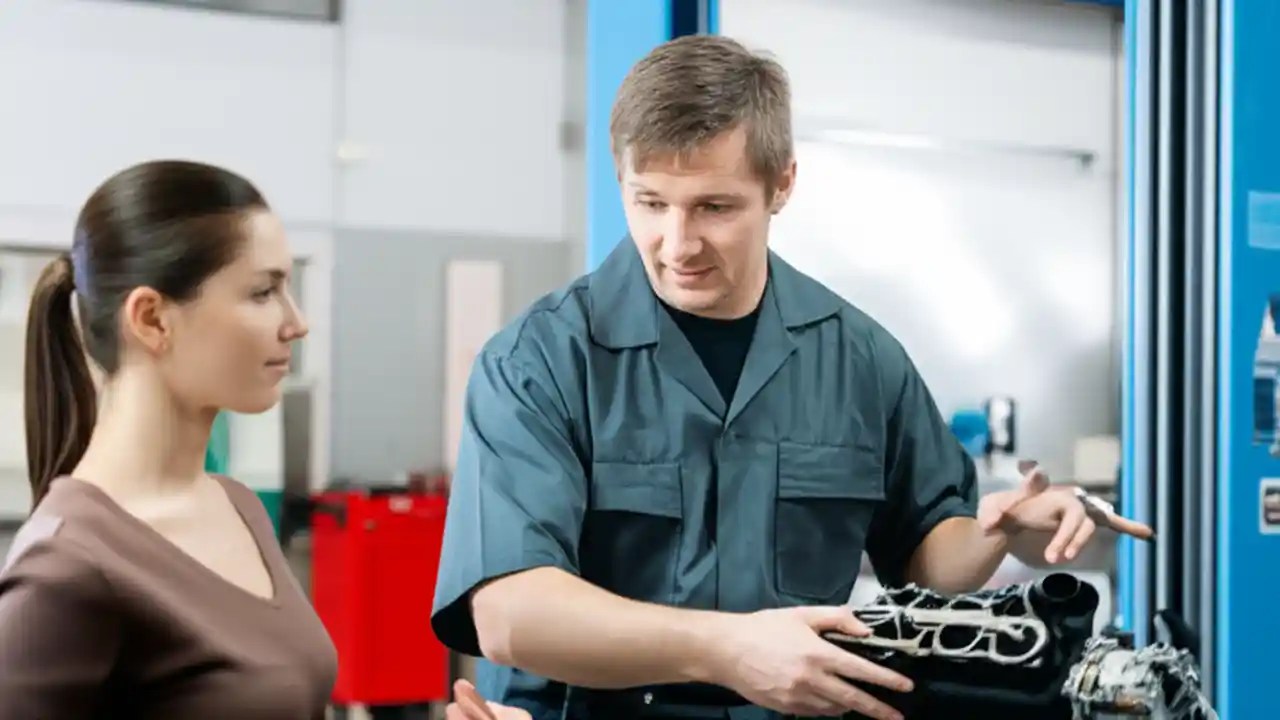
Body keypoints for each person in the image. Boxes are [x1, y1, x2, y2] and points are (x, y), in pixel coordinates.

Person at [432, 35, 1154, 720]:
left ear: (782, 185)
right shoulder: (541, 360)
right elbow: (510, 613)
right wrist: (728, 651)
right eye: (650, 203)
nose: (677, 244)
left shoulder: (861, 359)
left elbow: (929, 554)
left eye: (715, 207)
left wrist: (998, 532)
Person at [0, 160, 337, 719]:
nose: (296, 322)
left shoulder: (239, 508)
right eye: (262, 292)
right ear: (153, 319)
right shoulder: (69, 568)